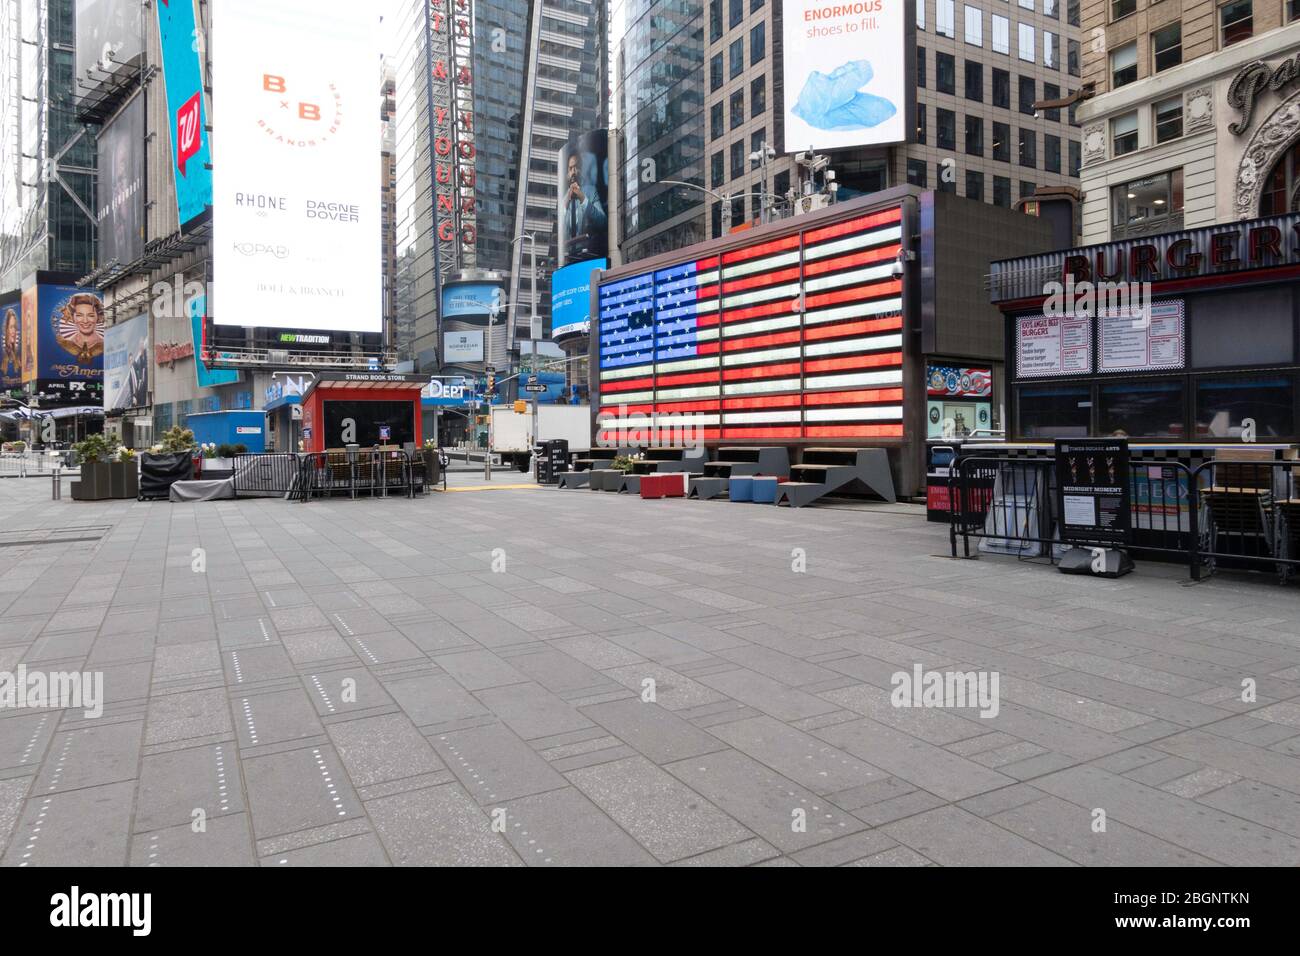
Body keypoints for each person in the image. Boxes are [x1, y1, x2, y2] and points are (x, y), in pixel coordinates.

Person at [55, 293, 105, 365]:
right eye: (79, 315)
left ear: (98, 317)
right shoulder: (67, 343)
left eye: (91, 315)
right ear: (73, 318)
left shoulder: (105, 344)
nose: (85, 321)